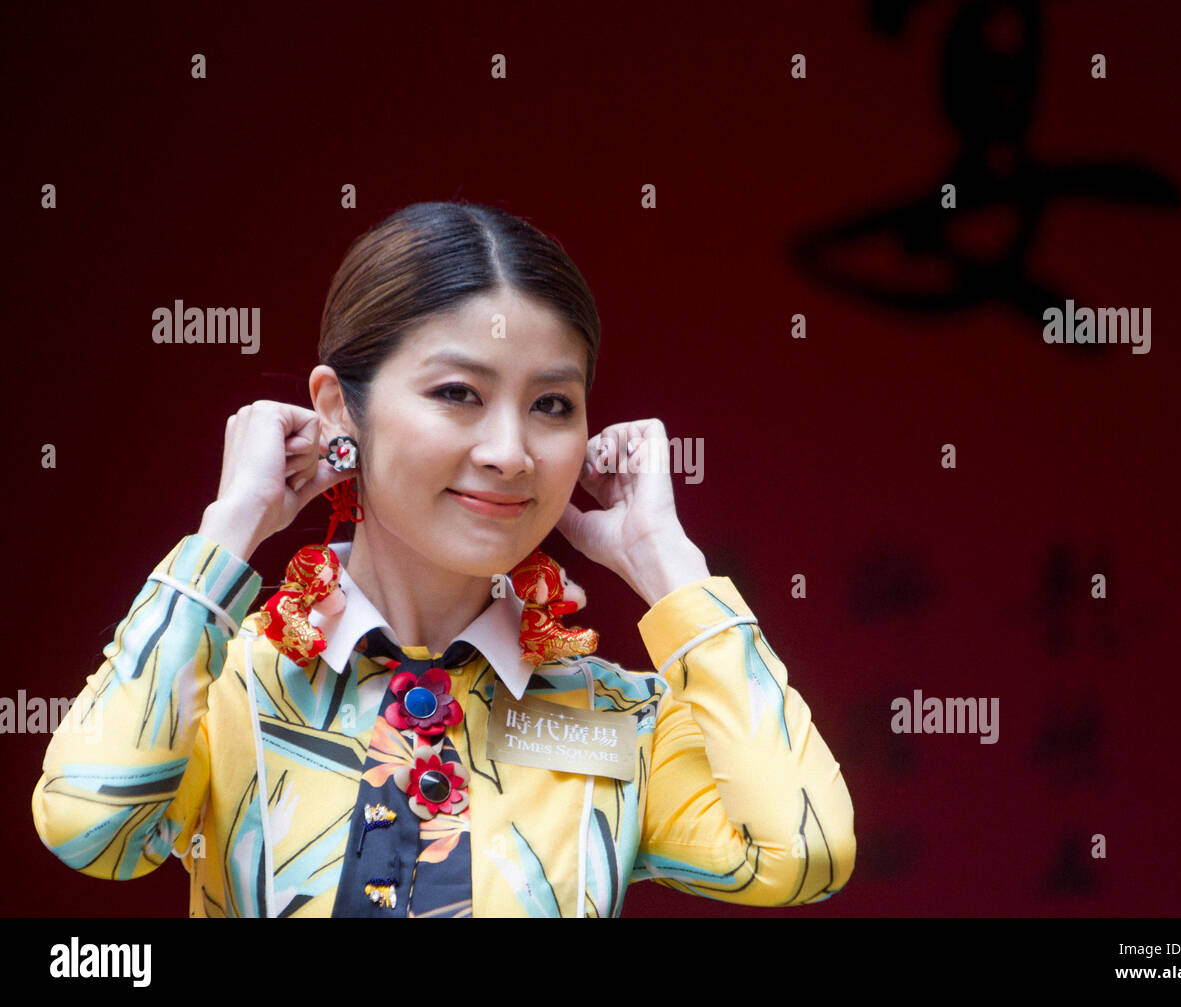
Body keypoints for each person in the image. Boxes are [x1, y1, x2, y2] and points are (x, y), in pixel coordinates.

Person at [31, 201, 856, 917]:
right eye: (458, 392)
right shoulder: (229, 684)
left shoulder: (614, 719)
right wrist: (230, 527)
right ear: (337, 408)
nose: (509, 450)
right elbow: (91, 822)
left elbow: (803, 852)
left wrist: (665, 561)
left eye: (551, 405)